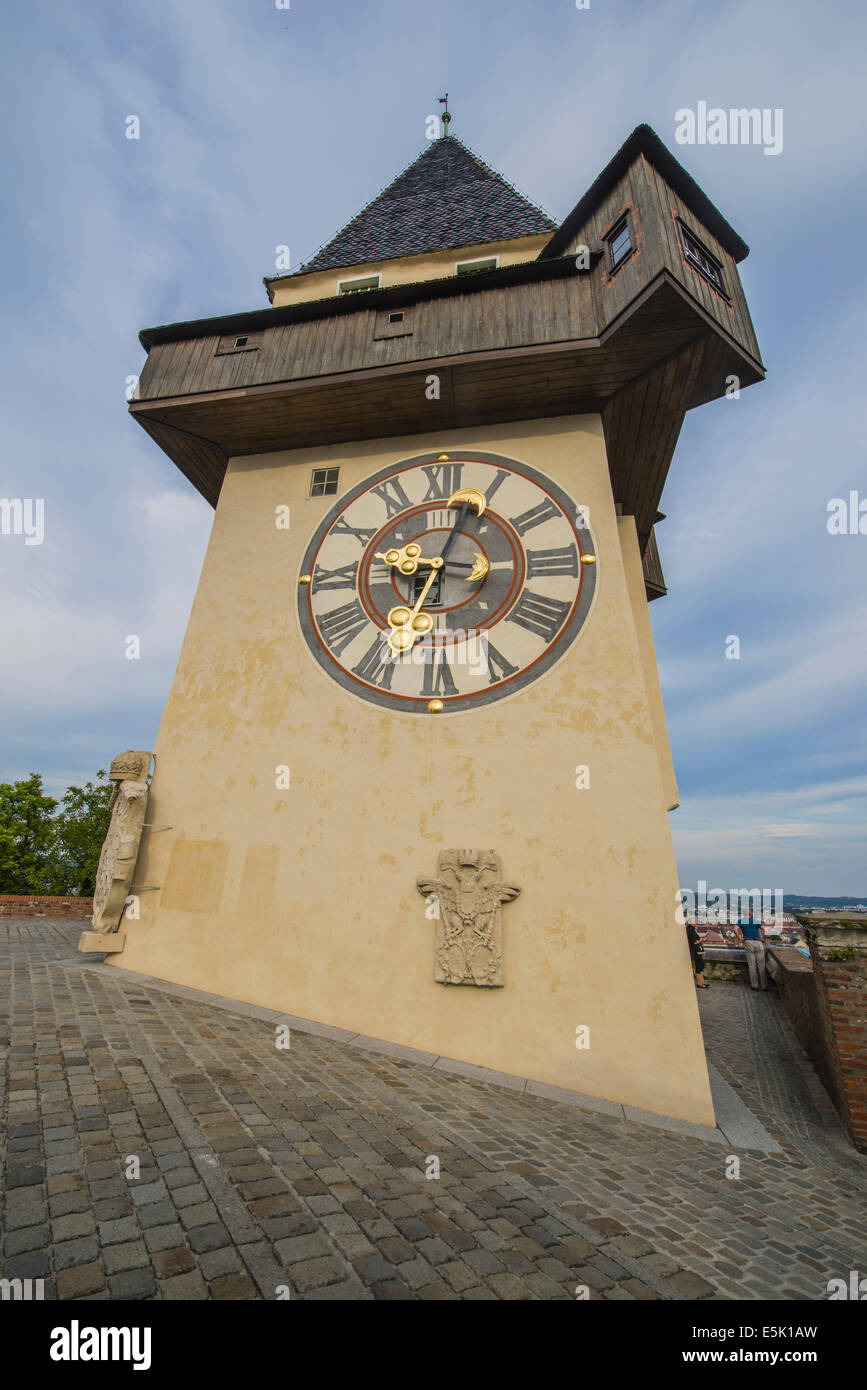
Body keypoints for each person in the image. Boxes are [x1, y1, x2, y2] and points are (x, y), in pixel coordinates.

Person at [738, 905, 768, 990]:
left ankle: (755, 985)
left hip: (748, 941)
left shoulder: (741, 921)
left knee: (752, 965)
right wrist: (763, 939)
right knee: (761, 965)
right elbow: (765, 929)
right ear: (750, 914)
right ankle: (764, 986)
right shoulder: (755, 921)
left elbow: (735, 929)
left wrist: (740, 938)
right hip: (758, 942)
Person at [686, 921, 708, 988]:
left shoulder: (690, 929)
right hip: (695, 951)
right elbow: (694, 942)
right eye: (695, 922)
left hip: (695, 951)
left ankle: (702, 982)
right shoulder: (691, 930)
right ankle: (700, 983)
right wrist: (702, 940)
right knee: (699, 965)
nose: (696, 923)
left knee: (700, 964)